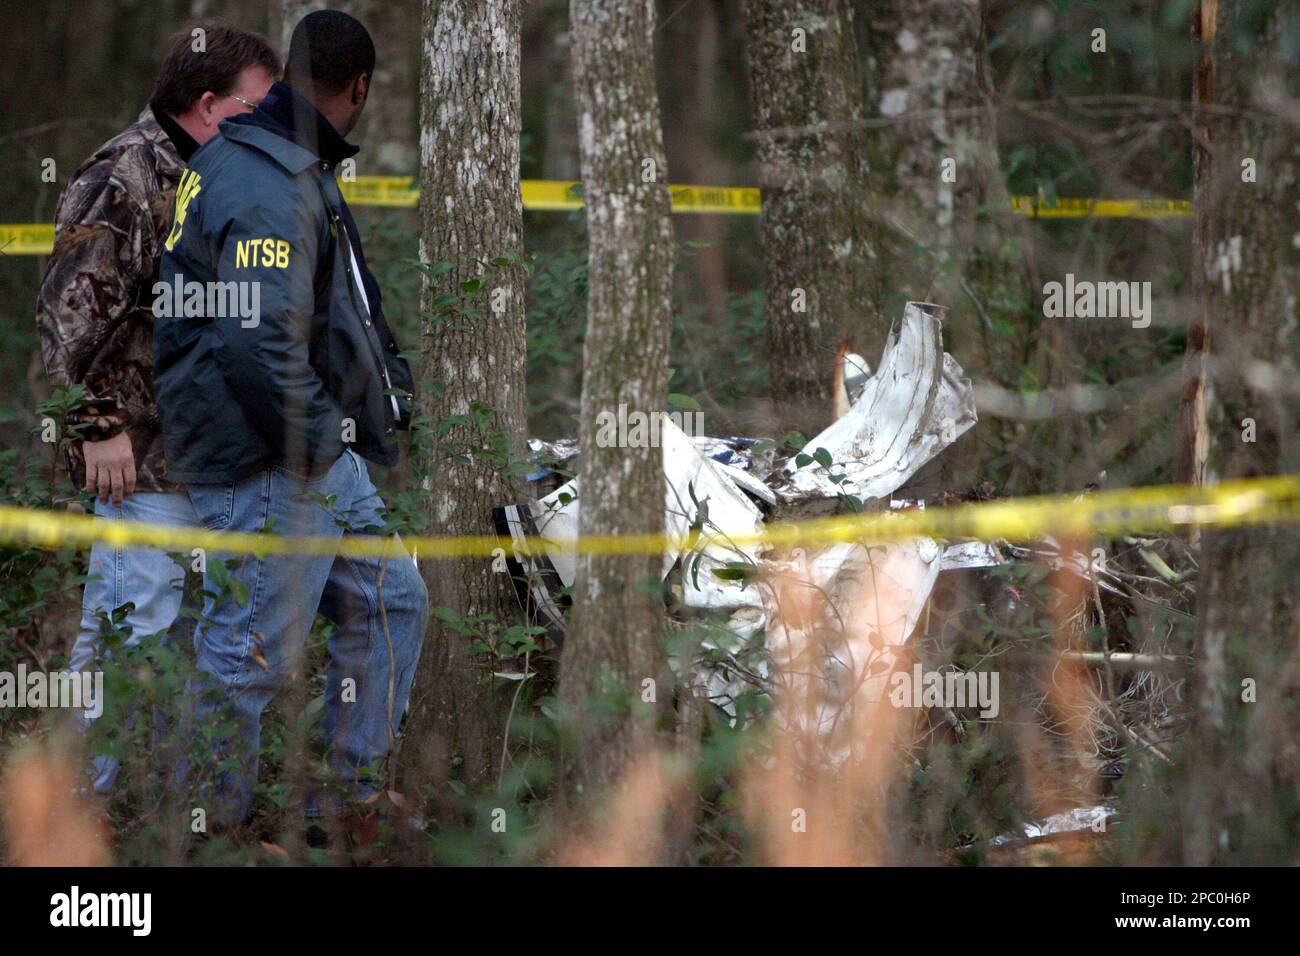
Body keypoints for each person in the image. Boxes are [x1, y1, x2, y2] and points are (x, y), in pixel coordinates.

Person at [154, 10, 426, 829]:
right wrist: (312, 447)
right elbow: (255, 344)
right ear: (360, 87)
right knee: (249, 653)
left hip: (308, 442)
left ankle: (348, 799)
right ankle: (210, 832)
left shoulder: (280, 155)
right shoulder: (262, 176)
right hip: (265, 453)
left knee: (393, 598)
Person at [36, 24, 280, 795]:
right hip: (134, 452)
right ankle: (73, 809)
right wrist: (99, 426)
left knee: (171, 622)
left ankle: (150, 800)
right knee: (125, 622)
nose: (269, 120)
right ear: (209, 104)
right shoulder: (127, 173)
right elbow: (70, 309)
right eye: (257, 104)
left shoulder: (212, 174)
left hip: (198, 451)